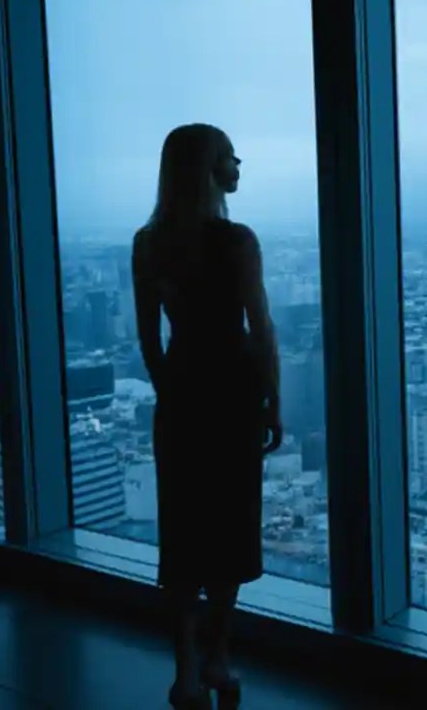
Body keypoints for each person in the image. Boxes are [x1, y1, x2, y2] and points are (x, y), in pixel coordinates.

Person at [132, 123, 282, 709]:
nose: (238, 163)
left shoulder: (149, 243)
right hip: (234, 393)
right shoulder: (238, 241)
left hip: (182, 394)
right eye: (228, 156)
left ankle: (186, 671)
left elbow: (149, 337)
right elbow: (260, 326)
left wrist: (170, 389)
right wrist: (272, 398)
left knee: (185, 532)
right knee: (230, 529)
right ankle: (219, 657)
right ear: (207, 170)